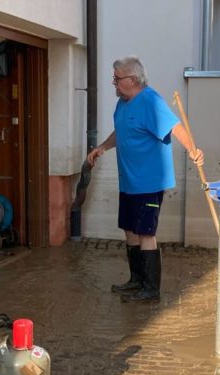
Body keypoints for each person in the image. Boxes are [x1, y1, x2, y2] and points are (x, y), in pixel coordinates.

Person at [87, 56, 204, 303]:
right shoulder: (123, 103)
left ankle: (151, 289)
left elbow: (174, 127)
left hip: (148, 181)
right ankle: (136, 280)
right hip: (128, 180)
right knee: (129, 230)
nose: (114, 83)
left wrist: (193, 149)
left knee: (145, 232)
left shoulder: (150, 101)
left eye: (117, 79)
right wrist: (103, 147)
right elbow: (122, 130)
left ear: (132, 79)